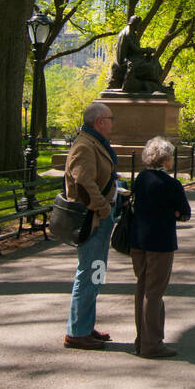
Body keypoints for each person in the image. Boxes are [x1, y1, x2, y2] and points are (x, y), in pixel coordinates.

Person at [64, 102, 119, 350]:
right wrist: (103, 208)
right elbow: (84, 182)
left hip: (100, 218)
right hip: (93, 219)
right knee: (88, 274)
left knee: (96, 273)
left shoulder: (94, 143)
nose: (112, 122)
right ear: (100, 122)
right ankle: (77, 332)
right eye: (111, 118)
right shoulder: (85, 145)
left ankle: (84, 325)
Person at [130, 136, 190, 358]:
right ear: (166, 159)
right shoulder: (171, 184)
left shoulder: (141, 179)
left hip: (138, 241)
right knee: (154, 293)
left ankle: (141, 340)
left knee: (142, 289)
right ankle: (152, 344)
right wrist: (173, 212)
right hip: (160, 243)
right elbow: (184, 212)